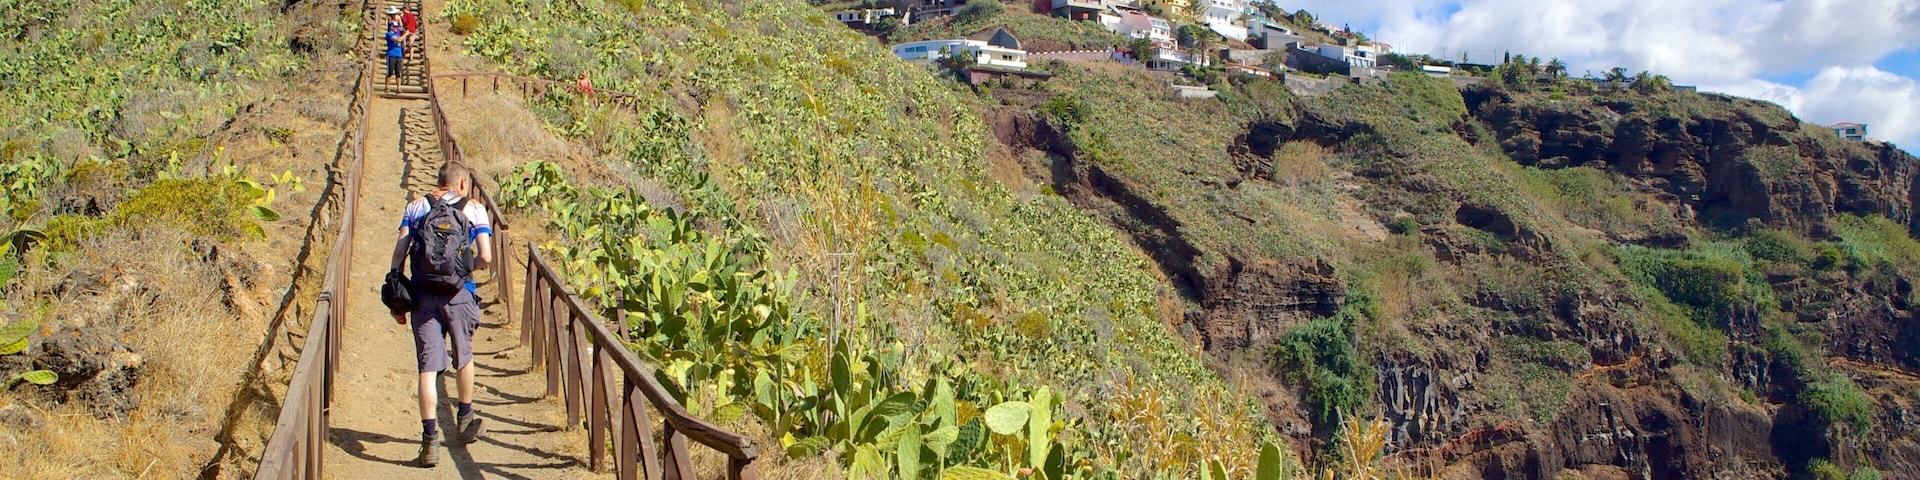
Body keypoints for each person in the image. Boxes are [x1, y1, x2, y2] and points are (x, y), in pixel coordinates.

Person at [390, 163, 494, 467]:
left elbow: (399, 253)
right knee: (464, 355)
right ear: (462, 183)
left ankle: (430, 441)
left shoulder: (416, 206)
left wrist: (397, 295)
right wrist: (464, 268)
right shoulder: (474, 209)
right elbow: (485, 257)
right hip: (460, 294)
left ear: (439, 182)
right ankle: (464, 417)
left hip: (423, 295)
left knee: (427, 366)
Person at [383, 20, 406, 86]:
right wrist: (405, 34)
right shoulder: (389, 34)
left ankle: (398, 88)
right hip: (391, 55)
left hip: (399, 55)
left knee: (398, 73)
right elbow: (398, 40)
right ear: (391, 27)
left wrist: (403, 36)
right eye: (395, 27)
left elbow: (402, 43)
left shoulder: (397, 34)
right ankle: (387, 87)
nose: (397, 28)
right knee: (390, 72)